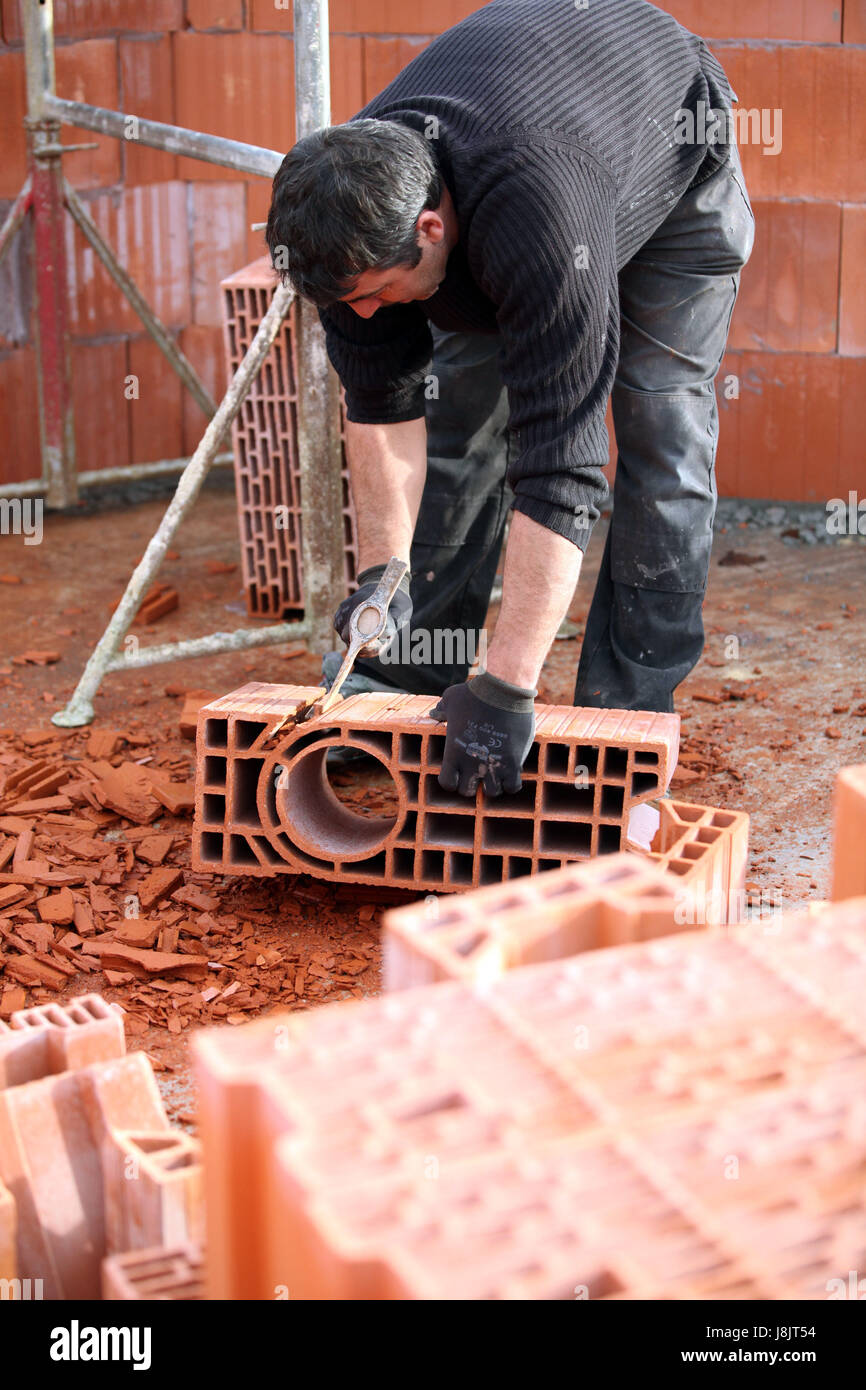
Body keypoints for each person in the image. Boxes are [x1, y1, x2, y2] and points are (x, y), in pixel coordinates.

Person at [266, 0, 755, 797]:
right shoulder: (347, 220)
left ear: (430, 229)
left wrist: (506, 689)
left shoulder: (535, 218)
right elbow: (382, 410)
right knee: (460, 424)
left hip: (666, 163)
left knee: (659, 424)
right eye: (348, 300)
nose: (360, 316)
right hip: (532, 171)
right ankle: (408, 674)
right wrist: (380, 583)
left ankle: (622, 716)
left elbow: (562, 464)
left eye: (376, 295)